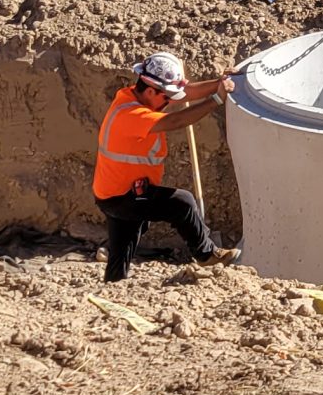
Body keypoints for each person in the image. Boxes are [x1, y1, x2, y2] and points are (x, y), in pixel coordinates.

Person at [94, 51, 235, 277]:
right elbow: (176, 120)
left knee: (123, 245)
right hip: (123, 196)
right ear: (151, 90)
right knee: (183, 203)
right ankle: (206, 254)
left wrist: (220, 83)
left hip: (112, 192)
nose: (169, 102)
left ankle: (114, 284)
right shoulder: (131, 115)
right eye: (167, 97)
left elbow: (186, 92)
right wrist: (216, 99)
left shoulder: (134, 94)